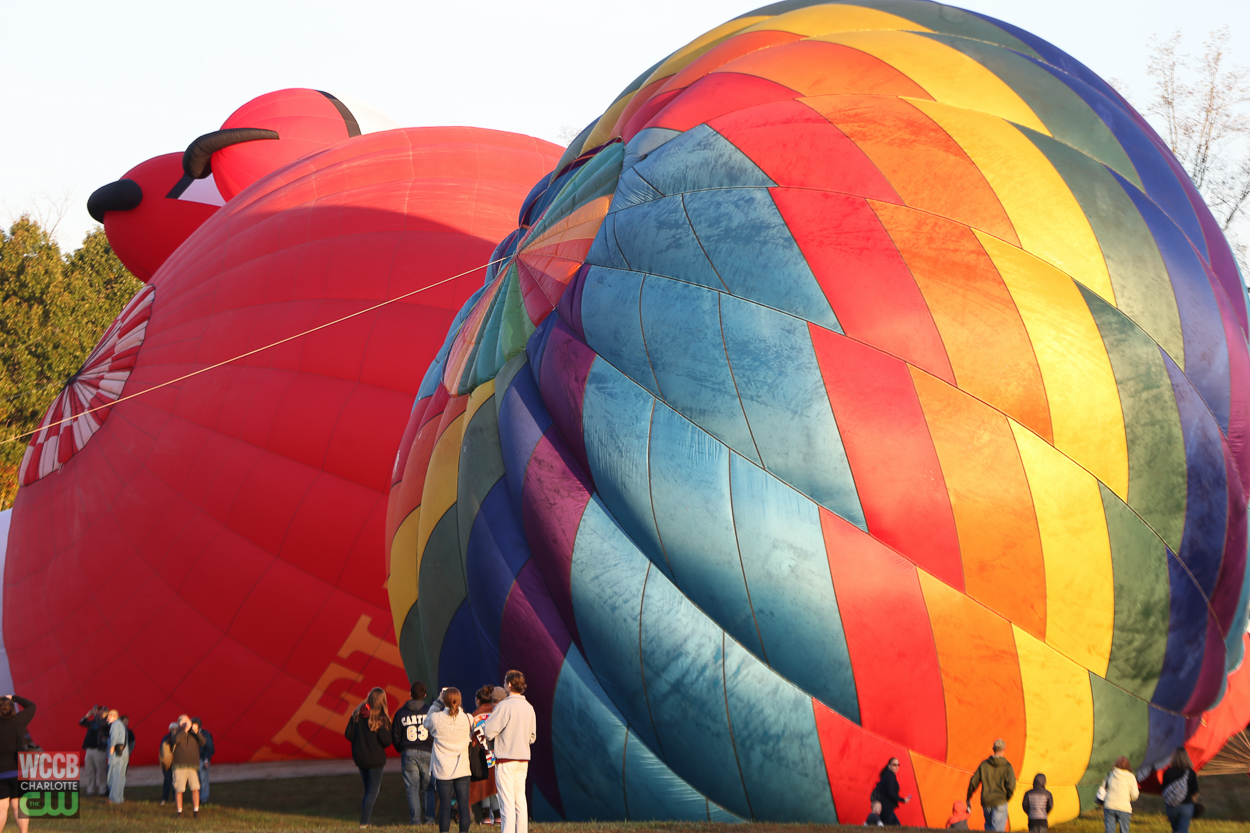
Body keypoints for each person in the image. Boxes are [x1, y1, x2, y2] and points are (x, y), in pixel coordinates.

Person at [482, 671, 536, 833]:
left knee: (506, 803)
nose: (504, 684)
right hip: (523, 759)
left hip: (505, 759)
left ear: (510, 684)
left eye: (506, 682)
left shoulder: (504, 706)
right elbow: (532, 737)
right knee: (520, 800)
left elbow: (489, 731)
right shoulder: (529, 707)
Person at [425, 688, 474, 833]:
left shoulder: (436, 718)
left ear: (444, 700)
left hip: (443, 769)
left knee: (445, 808)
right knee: (464, 807)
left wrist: (437, 703)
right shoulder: (468, 718)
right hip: (462, 769)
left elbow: (426, 722)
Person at [346, 687, 392, 828]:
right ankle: (364, 823)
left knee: (368, 791)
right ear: (382, 701)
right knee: (372, 792)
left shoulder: (357, 714)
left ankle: (366, 821)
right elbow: (386, 741)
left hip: (360, 758)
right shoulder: (382, 718)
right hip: (375, 759)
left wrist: (360, 739)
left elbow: (348, 734)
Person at [394, 681, 435, 825]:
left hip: (408, 753)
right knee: (428, 788)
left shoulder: (401, 713)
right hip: (427, 752)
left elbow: (396, 736)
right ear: (425, 695)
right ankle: (429, 820)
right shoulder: (430, 712)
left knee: (412, 789)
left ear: (410, 694)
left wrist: (402, 749)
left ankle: (415, 821)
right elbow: (435, 732)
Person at [0, 695, 35, 833]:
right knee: (20, 806)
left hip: (1, 772)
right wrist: (13, 697)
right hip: (20, 771)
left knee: (2, 808)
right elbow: (32, 706)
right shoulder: (18, 721)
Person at [966, 739, 1016, 832]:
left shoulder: (984, 765)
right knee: (998, 830)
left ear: (993, 749)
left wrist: (969, 796)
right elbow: (1011, 786)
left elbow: (973, 782)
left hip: (986, 801)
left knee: (989, 828)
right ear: (1004, 749)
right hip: (1000, 801)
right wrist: (1006, 798)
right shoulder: (1008, 767)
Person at [470, 686, 500, 825]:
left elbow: (472, 740)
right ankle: (498, 818)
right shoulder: (496, 712)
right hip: (497, 756)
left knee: (484, 788)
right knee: (494, 789)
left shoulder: (473, 716)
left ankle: (486, 818)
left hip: (482, 757)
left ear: (478, 700)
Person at [170, 714, 206, 818]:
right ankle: (179, 811)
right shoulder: (176, 733)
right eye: (186, 722)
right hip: (179, 766)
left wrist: (197, 732)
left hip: (192, 766)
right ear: (181, 724)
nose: (189, 723)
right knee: (179, 789)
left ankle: (196, 810)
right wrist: (184, 730)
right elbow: (175, 740)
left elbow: (203, 742)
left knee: (195, 788)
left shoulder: (193, 734)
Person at [1161, 748, 1200, 833]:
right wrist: (1192, 803)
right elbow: (1195, 791)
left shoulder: (1168, 772)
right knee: (1183, 830)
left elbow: (1163, 790)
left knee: (1175, 830)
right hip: (1186, 805)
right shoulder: (1191, 773)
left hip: (1171, 806)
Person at [1100, 756, 1139, 833]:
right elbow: (1135, 794)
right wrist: (1128, 798)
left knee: (1109, 831)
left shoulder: (1110, 775)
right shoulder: (1131, 777)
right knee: (1124, 831)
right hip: (1124, 807)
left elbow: (1103, 788)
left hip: (1110, 806)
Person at [79, 705, 108, 798]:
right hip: (89, 750)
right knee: (90, 771)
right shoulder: (92, 723)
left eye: (103, 711)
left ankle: (102, 790)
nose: (100, 712)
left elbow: (101, 724)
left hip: (99, 750)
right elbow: (81, 722)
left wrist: (95, 715)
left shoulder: (106, 722)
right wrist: (88, 715)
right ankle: (90, 790)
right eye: (100, 711)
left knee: (101, 771)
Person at [105, 708, 129, 804]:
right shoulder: (122, 725)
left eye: (109, 716)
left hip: (116, 754)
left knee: (114, 775)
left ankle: (114, 798)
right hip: (123, 753)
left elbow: (114, 737)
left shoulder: (115, 724)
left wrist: (112, 747)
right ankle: (119, 798)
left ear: (114, 716)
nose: (107, 718)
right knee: (120, 776)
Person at [193, 718, 214, 804]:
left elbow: (209, 747)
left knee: (203, 779)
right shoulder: (192, 734)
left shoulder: (205, 734)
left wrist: (206, 760)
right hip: (194, 759)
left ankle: (204, 798)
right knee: (196, 780)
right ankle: (198, 797)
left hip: (202, 759)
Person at [159, 722, 177, 805]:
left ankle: (174, 798)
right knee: (168, 781)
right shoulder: (167, 738)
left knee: (174, 781)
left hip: (173, 762)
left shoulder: (177, 737)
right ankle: (165, 798)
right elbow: (162, 750)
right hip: (168, 763)